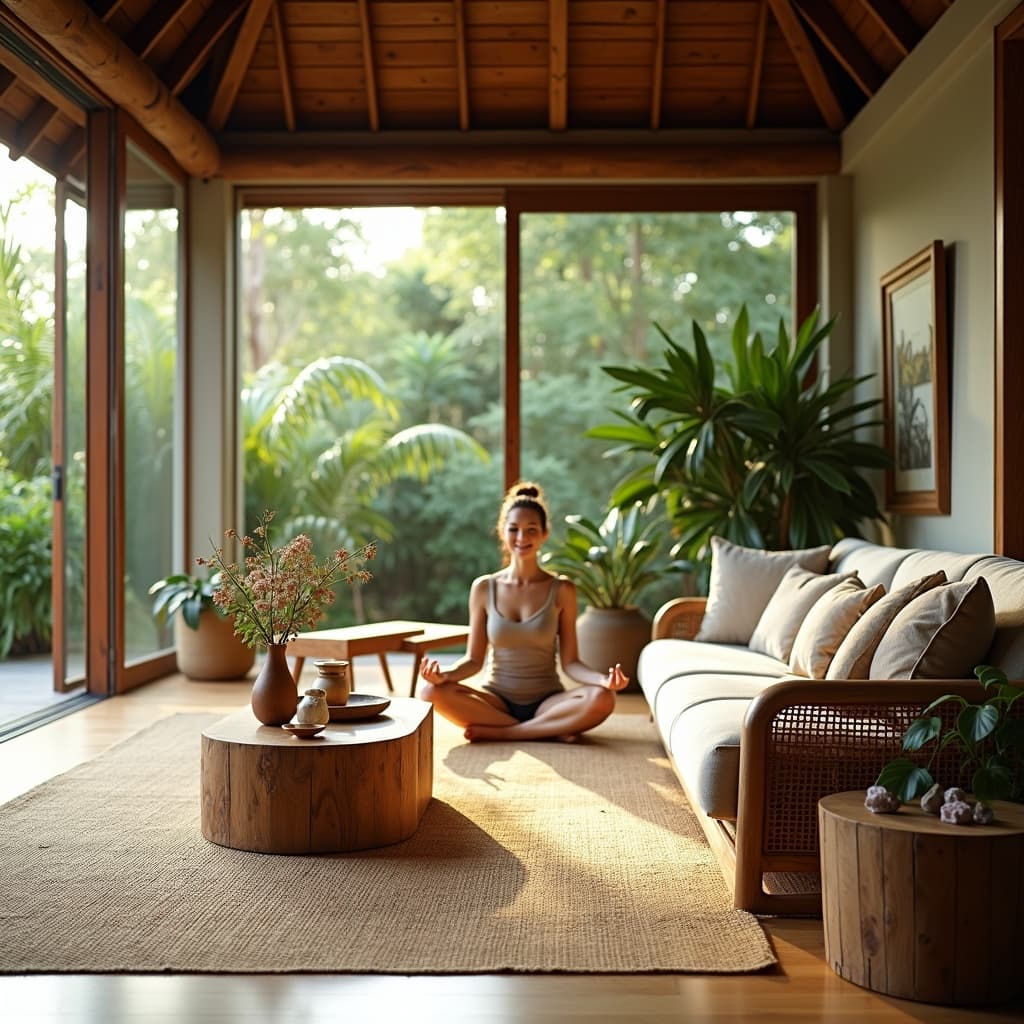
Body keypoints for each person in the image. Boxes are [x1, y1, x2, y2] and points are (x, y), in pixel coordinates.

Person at [418, 482, 629, 742]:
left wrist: (603, 680)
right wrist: (444, 676)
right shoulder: (484, 588)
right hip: (496, 701)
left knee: (602, 698)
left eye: (531, 530)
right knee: (430, 692)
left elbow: (571, 662)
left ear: (544, 534)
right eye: (514, 529)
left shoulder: (562, 589)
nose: (522, 538)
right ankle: (550, 729)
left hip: (548, 701)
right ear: (502, 532)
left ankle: (508, 733)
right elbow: (473, 660)